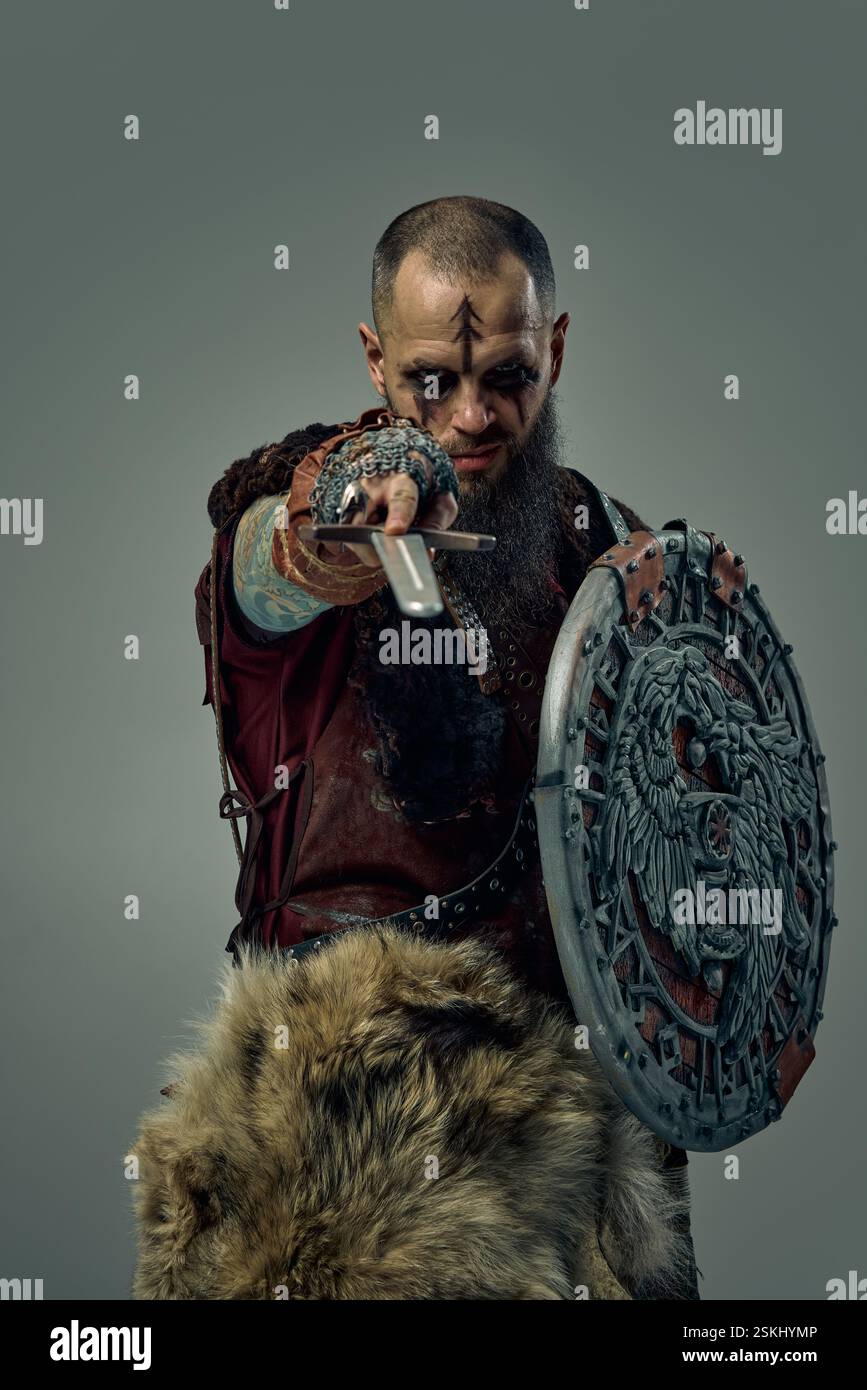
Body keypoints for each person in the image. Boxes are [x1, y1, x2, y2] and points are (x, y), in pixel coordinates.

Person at [178, 195, 700, 1300]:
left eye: (506, 374)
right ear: (375, 359)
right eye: (430, 381)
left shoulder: (612, 556)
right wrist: (365, 491)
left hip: (586, 1157)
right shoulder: (309, 526)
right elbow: (284, 558)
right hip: (351, 1147)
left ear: (554, 349)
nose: (471, 413)